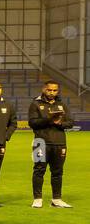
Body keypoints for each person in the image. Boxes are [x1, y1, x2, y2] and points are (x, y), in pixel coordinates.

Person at [29, 80, 73, 209]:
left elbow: (70, 122)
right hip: (40, 143)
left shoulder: (62, 105)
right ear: (44, 89)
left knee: (58, 172)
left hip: (59, 143)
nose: (52, 92)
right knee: (38, 170)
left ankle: (56, 199)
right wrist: (49, 119)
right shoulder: (35, 104)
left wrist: (60, 123)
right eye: (49, 90)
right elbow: (32, 123)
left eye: (54, 90)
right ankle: (37, 199)